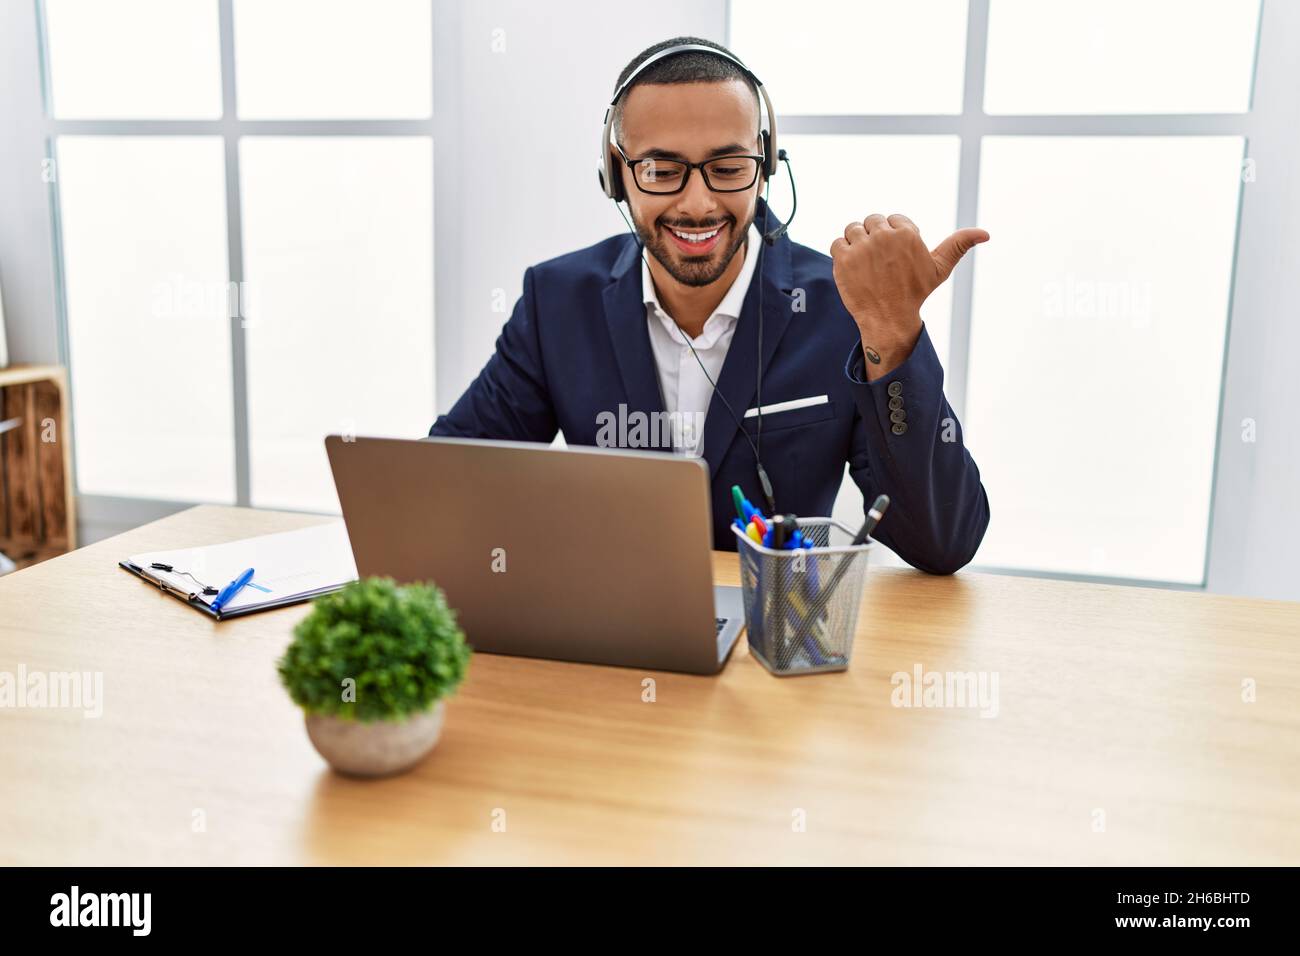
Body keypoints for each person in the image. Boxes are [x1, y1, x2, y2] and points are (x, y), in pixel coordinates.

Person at [430, 37, 990, 573]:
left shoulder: (846, 308)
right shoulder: (556, 303)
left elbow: (942, 543)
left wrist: (892, 337)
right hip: (617, 643)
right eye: (660, 170)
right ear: (617, 175)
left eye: (727, 168)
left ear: (766, 167)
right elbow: (443, 490)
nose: (697, 204)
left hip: (776, 646)